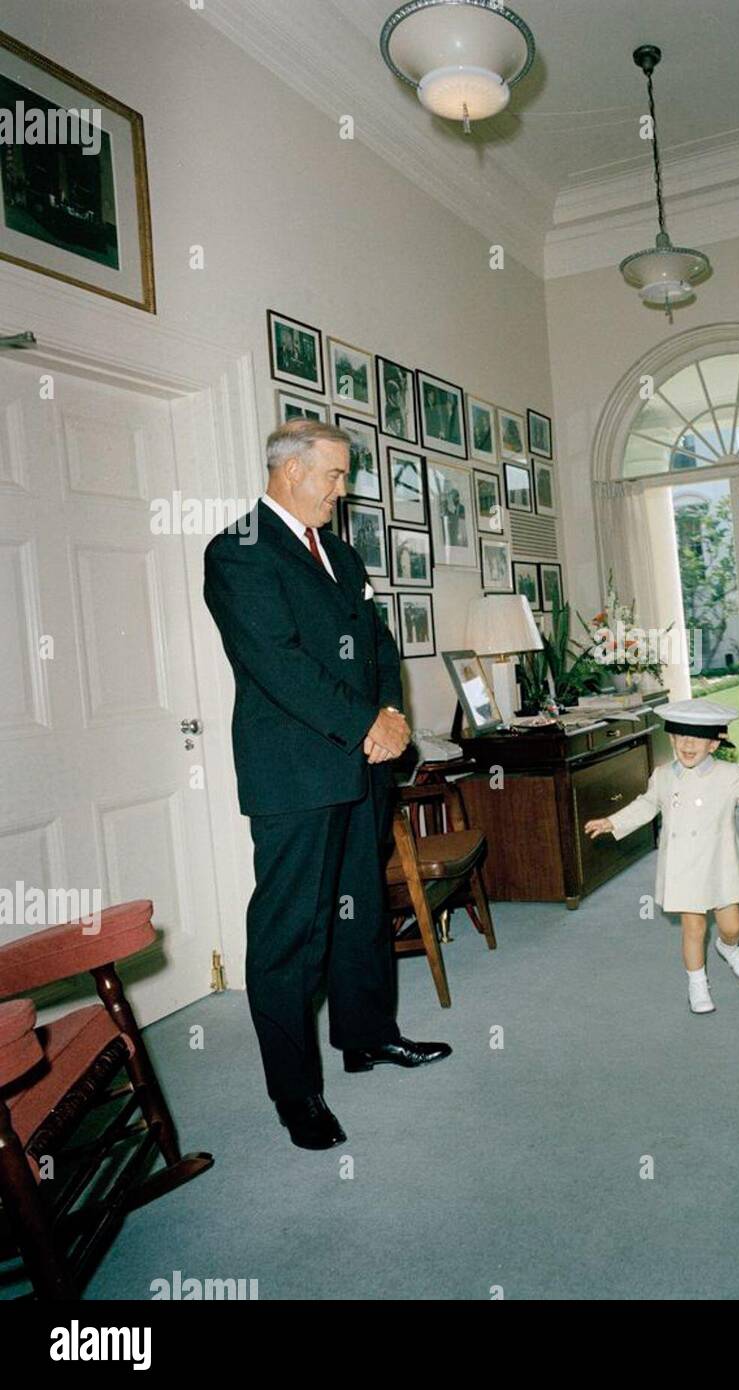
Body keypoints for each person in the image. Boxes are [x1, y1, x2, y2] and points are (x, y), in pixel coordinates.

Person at [204, 420, 451, 1151]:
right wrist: (364, 724)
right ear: (288, 472)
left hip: (363, 762)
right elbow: (276, 662)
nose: (342, 493)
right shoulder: (238, 551)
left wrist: (392, 717)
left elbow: (377, 645)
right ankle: (296, 1096)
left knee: (362, 911)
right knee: (291, 935)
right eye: (334, 477)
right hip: (297, 772)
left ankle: (368, 1037)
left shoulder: (340, 554)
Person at [584, 699, 739, 1015]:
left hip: (720, 865)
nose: (687, 744)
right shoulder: (664, 775)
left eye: (696, 737)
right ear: (672, 738)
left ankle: (729, 948)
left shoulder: (727, 774)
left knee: (731, 924)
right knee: (693, 929)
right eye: (680, 737)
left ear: (714, 742)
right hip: (683, 869)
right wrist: (614, 821)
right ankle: (697, 983)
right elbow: (647, 804)